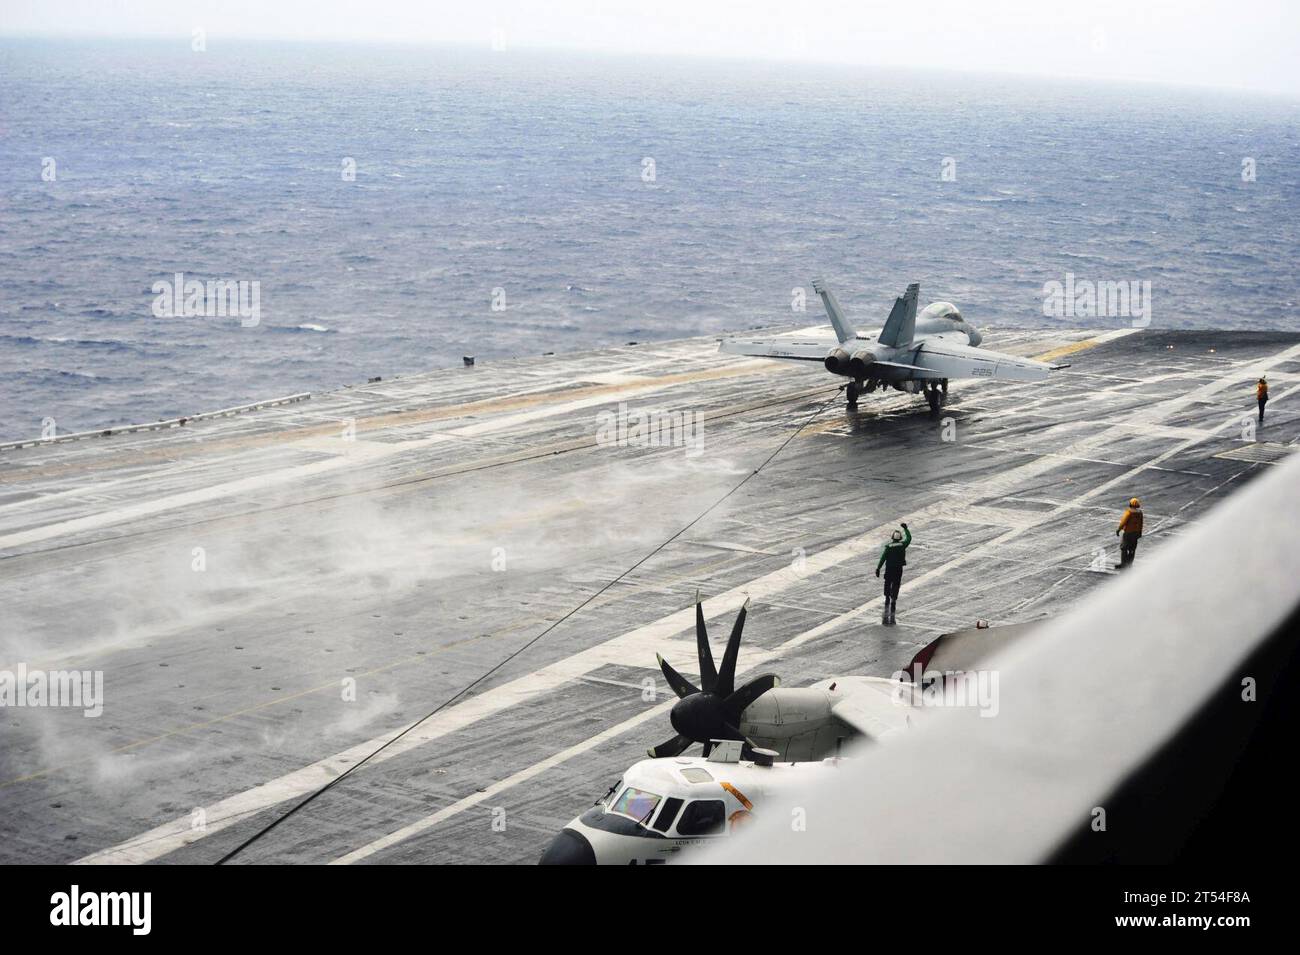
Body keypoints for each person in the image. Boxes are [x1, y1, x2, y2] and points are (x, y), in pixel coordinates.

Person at [875, 522, 911, 624]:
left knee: (887, 582)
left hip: (889, 569)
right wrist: (906, 529)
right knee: (896, 583)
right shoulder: (902, 545)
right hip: (898, 569)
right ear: (899, 538)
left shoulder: (888, 547)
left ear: (892, 538)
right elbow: (909, 538)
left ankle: (887, 597)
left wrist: (878, 568)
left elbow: (883, 558)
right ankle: (894, 598)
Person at [1115, 498, 1143, 569]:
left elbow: (1123, 522)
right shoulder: (1140, 513)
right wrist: (1140, 532)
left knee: (1124, 548)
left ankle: (1123, 564)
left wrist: (1119, 529)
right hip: (1136, 533)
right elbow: (1141, 524)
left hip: (1128, 533)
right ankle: (1129, 564)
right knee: (1132, 549)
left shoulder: (1129, 512)